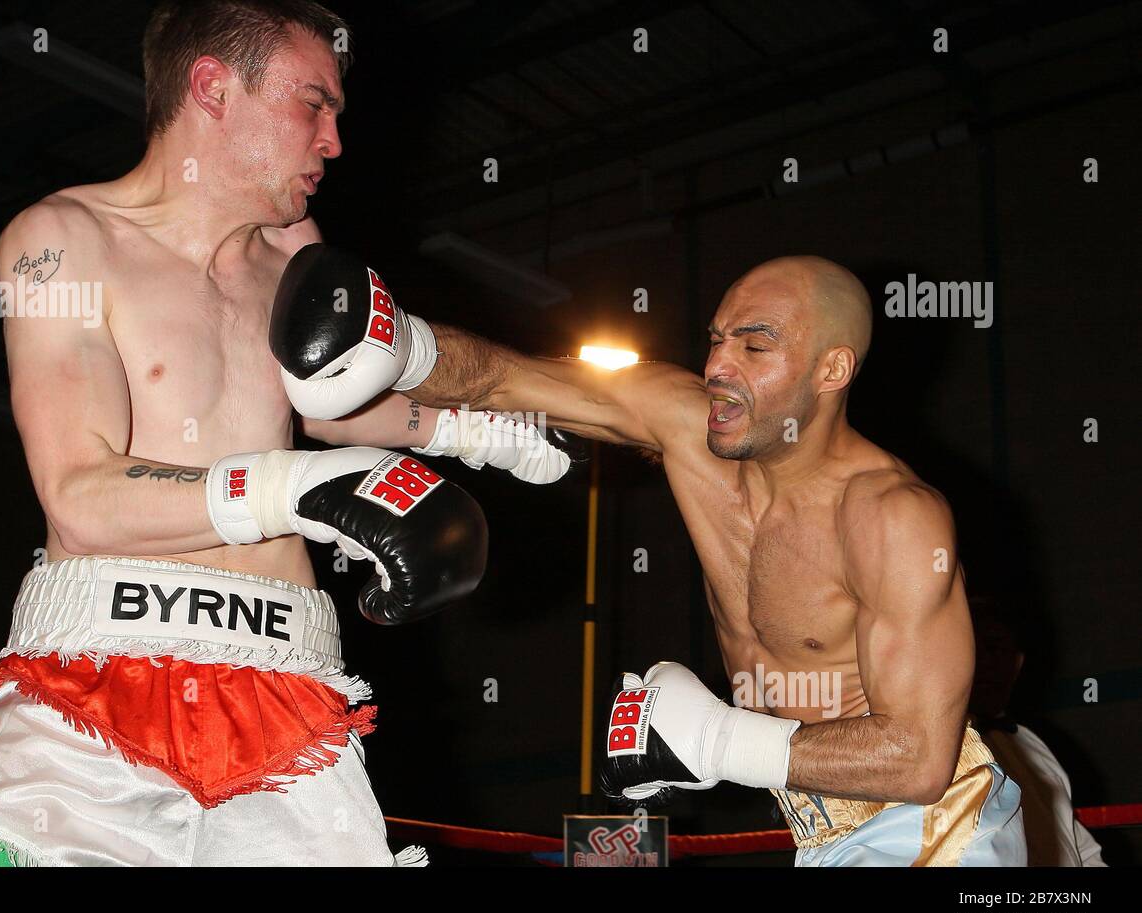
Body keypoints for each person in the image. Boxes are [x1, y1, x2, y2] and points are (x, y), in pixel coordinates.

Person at [0, 0, 566, 868]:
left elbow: (330, 408)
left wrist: (486, 433)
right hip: (98, 674)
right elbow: (80, 494)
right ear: (213, 87)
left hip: (290, 695)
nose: (332, 139)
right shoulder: (62, 241)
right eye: (313, 104)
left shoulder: (297, 251)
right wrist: (302, 489)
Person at [273, 247, 1028, 866]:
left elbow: (920, 759)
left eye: (755, 346)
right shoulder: (687, 424)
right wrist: (402, 345)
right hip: (819, 832)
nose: (720, 367)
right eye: (717, 338)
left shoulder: (891, 517)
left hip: (936, 832)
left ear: (831, 372)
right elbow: (511, 377)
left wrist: (717, 742)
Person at [969, 596, 1106, 866]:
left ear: (1017, 664)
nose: (986, 662)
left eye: (996, 648)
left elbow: (1078, 845)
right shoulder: (950, 745)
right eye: (976, 648)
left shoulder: (1032, 744)